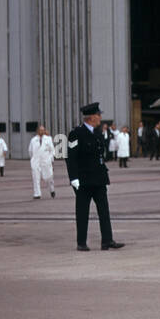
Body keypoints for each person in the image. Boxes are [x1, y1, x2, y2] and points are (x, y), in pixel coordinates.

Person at [65, 102, 123, 251]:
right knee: (82, 212)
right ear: (91, 117)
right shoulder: (76, 133)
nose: (100, 117)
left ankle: (107, 240)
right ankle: (81, 243)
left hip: (99, 179)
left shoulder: (97, 133)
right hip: (83, 181)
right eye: (99, 115)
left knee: (104, 210)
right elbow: (70, 158)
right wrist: (73, 178)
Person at [29, 125, 57, 199]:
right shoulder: (33, 140)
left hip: (46, 161)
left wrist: (51, 160)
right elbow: (30, 151)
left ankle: (52, 190)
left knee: (49, 177)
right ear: (37, 131)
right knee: (36, 178)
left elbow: (52, 150)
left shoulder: (48, 139)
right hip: (36, 161)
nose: (41, 131)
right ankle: (37, 194)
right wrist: (33, 160)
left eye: (43, 130)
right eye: (40, 130)